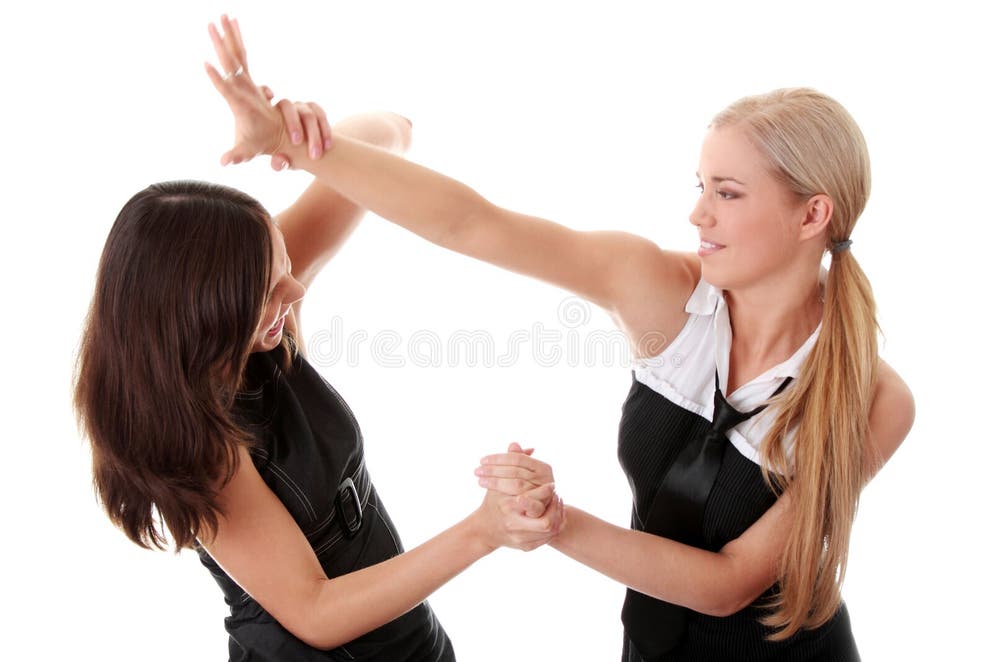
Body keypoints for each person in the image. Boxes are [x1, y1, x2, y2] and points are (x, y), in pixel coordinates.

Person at [211, 14, 916, 660]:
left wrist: (553, 521)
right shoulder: (664, 293)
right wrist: (298, 147)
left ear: (811, 215)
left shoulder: (874, 397)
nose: (698, 214)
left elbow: (729, 583)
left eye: (727, 193)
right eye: (699, 186)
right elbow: (471, 224)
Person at [72, 18, 565, 661]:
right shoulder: (192, 443)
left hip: (407, 643)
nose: (295, 289)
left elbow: (393, 131)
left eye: (285, 266)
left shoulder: (260, 295)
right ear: (201, 316)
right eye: (269, 290)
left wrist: (293, 134)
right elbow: (316, 613)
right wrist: (483, 530)